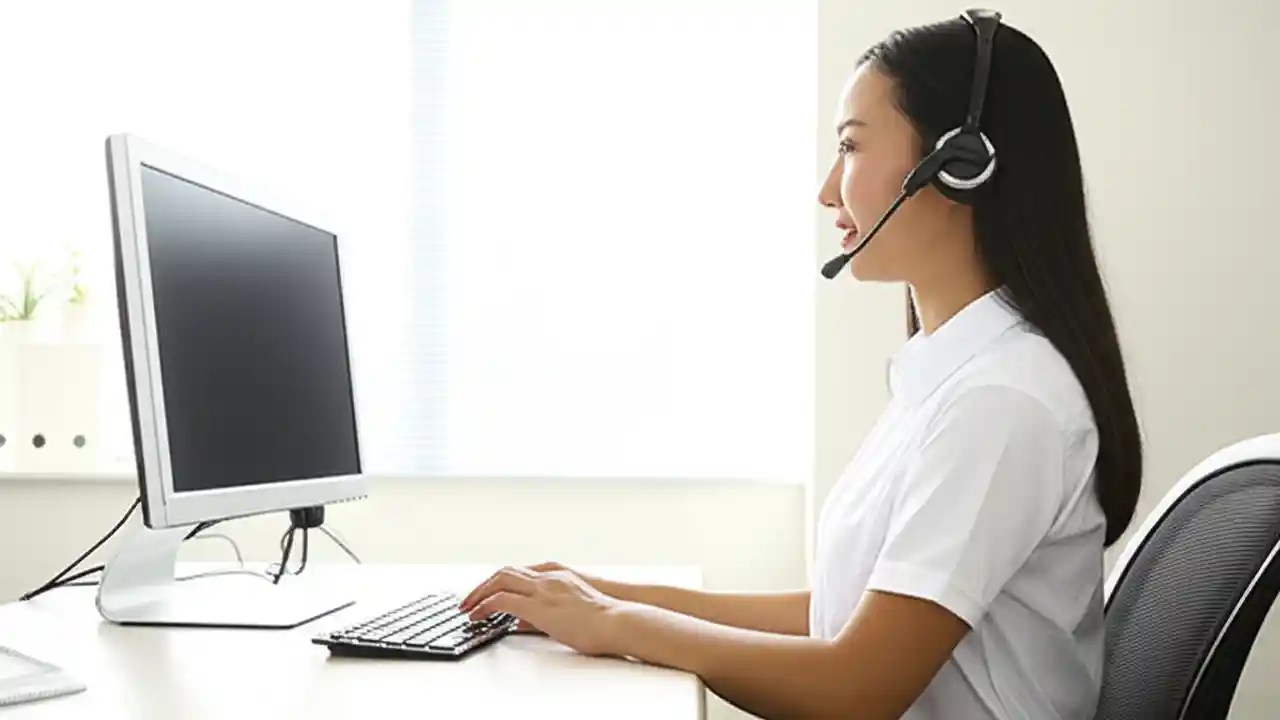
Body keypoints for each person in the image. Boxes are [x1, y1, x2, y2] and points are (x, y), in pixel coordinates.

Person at [459, 9, 1141, 719]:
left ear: (959, 166)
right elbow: (842, 617)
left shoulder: (1004, 402)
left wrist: (616, 627)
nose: (826, 190)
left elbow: (856, 687)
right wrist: (604, 596)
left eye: (850, 148)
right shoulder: (957, 379)